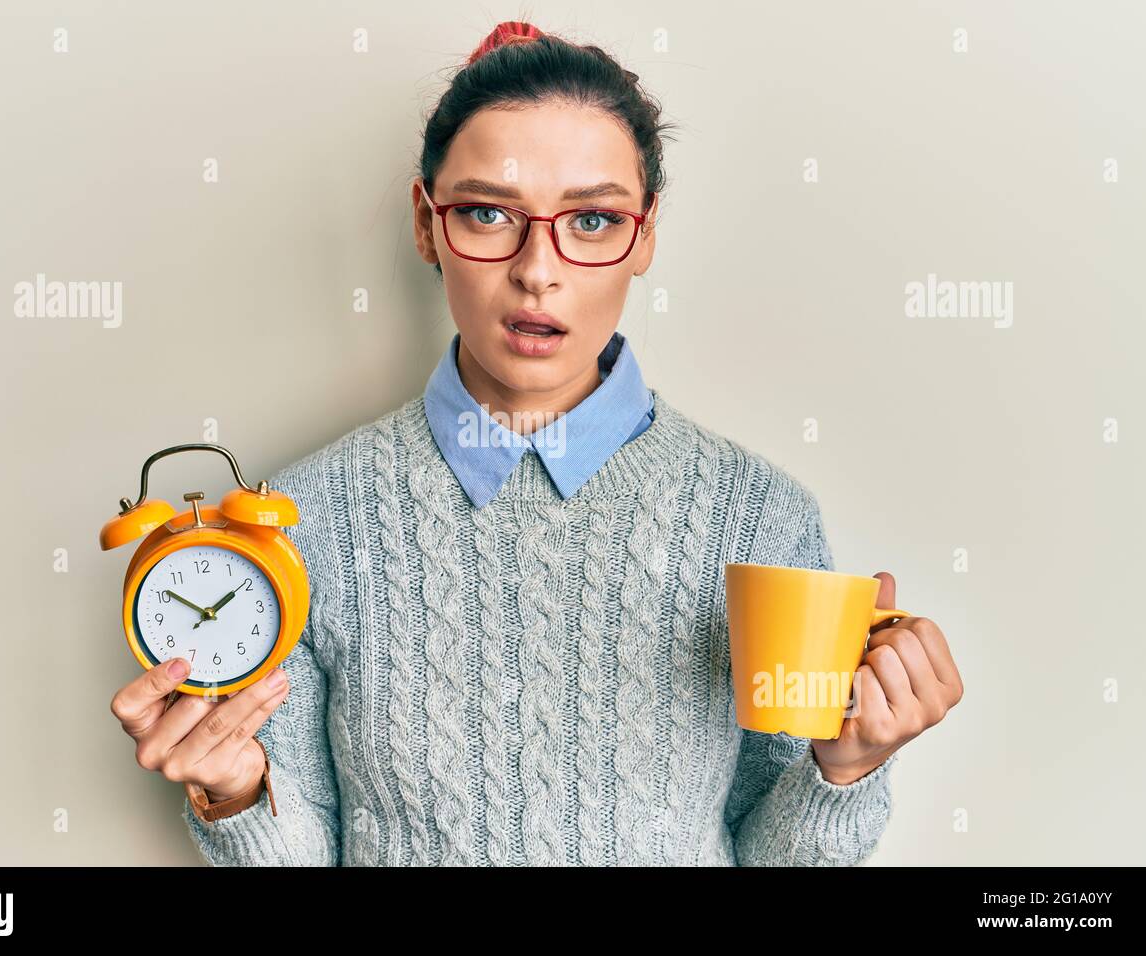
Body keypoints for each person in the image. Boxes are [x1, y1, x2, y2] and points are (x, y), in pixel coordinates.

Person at [110, 20, 963, 866]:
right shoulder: (300, 528)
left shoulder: (761, 518)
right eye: (488, 213)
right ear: (426, 222)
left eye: (591, 221)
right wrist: (233, 793)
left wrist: (845, 768)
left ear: (647, 233)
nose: (537, 270)